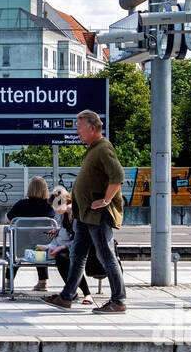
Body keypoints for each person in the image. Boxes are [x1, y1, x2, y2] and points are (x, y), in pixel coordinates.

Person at [43, 110, 128, 313]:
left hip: (97, 216)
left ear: (92, 128)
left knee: (106, 255)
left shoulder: (103, 148)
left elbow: (118, 176)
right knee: (77, 254)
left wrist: (106, 200)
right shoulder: (93, 149)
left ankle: (119, 301)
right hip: (84, 215)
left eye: (79, 128)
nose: (77, 132)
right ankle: (66, 297)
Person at [43, 187, 95, 303]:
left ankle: (87, 294)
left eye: (56, 206)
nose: (54, 210)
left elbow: (82, 238)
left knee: (73, 259)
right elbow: (66, 230)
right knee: (61, 257)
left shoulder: (77, 214)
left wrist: (62, 247)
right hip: (73, 246)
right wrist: (56, 231)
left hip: (84, 245)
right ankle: (71, 291)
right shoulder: (64, 214)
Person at [7, 176, 58, 291]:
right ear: (45, 189)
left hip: (20, 248)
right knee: (39, 245)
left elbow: (9, 219)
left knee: (13, 253)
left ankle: (8, 281)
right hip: (42, 249)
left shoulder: (21, 204)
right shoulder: (49, 205)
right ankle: (43, 282)